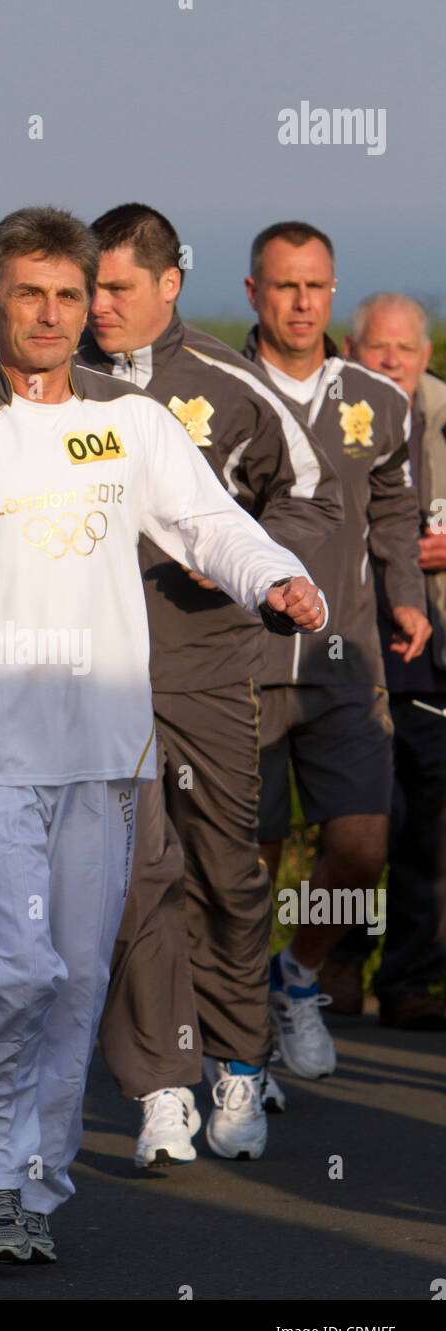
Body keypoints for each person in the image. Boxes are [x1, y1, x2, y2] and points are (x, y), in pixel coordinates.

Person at [0, 206, 327, 1265]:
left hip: (106, 749)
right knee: (16, 971)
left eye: (68, 296)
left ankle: (35, 1179)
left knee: (77, 978)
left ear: (89, 307)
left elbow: (205, 520)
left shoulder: (126, 421)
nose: (49, 313)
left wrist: (276, 574)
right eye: (28, 295)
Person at [77, 203, 342, 1164]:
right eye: (87, 288)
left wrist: (257, 558)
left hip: (206, 666)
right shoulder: (60, 387)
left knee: (225, 875)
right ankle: (158, 1087)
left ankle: (238, 1058)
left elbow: (311, 493)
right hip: (96, 672)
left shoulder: (231, 385)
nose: (96, 307)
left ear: (168, 285)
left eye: (115, 288)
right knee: (132, 880)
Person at [242, 222, 430, 1088]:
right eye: (284, 285)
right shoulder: (212, 390)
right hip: (239, 664)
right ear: (253, 292)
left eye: (314, 285)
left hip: (345, 660)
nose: (300, 301)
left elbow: (395, 507)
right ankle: (234, 1028)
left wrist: (401, 592)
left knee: (360, 846)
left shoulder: (376, 399)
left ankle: (299, 975)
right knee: (251, 856)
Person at [332, 295, 446, 1029]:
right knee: (352, 825)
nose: (392, 361)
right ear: (352, 349)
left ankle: (409, 980)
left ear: (425, 356)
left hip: (431, 655)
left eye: (405, 349)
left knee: (428, 827)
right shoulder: (326, 416)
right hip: (347, 651)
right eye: (378, 347)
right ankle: (330, 962)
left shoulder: (442, 416)